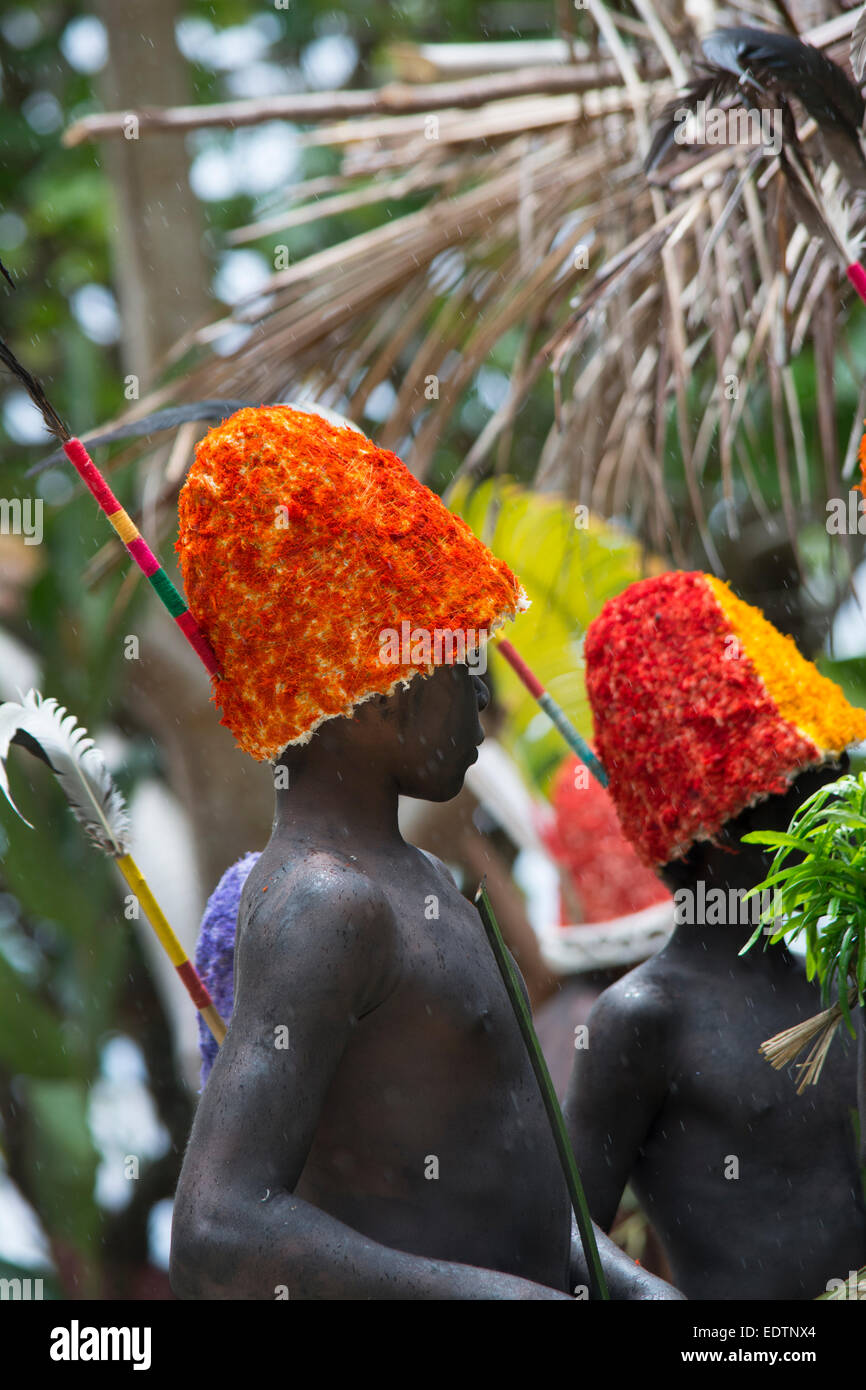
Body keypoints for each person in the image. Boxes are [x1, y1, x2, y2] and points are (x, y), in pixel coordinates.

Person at [168, 404, 679, 1300]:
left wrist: (627, 1287)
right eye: (462, 667)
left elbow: (521, 1193)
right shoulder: (325, 902)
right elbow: (219, 1226)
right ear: (378, 693)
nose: (482, 699)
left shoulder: (428, 884)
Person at [564, 570, 866, 1300]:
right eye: (805, 789)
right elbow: (565, 1227)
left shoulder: (833, 977)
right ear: (723, 828)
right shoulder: (646, 1017)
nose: (837, 810)